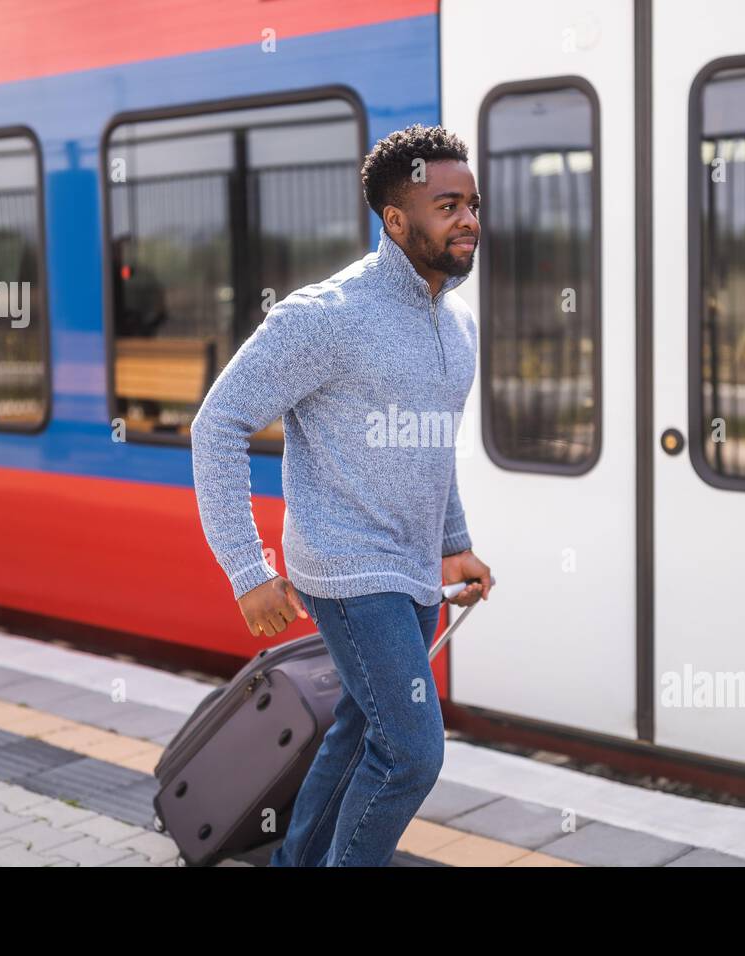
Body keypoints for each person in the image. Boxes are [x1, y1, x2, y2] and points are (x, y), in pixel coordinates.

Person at [189, 124, 494, 867]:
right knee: (413, 753)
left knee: (361, 729)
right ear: (397, 220)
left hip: (415, 570)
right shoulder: (324, 316)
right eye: (447, 204)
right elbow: (217, 424)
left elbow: (434, 447)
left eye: (473, 203)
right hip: (349, 570)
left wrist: (454, 545)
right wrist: (247, 568)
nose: (469, 220)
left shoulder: (456, 326)